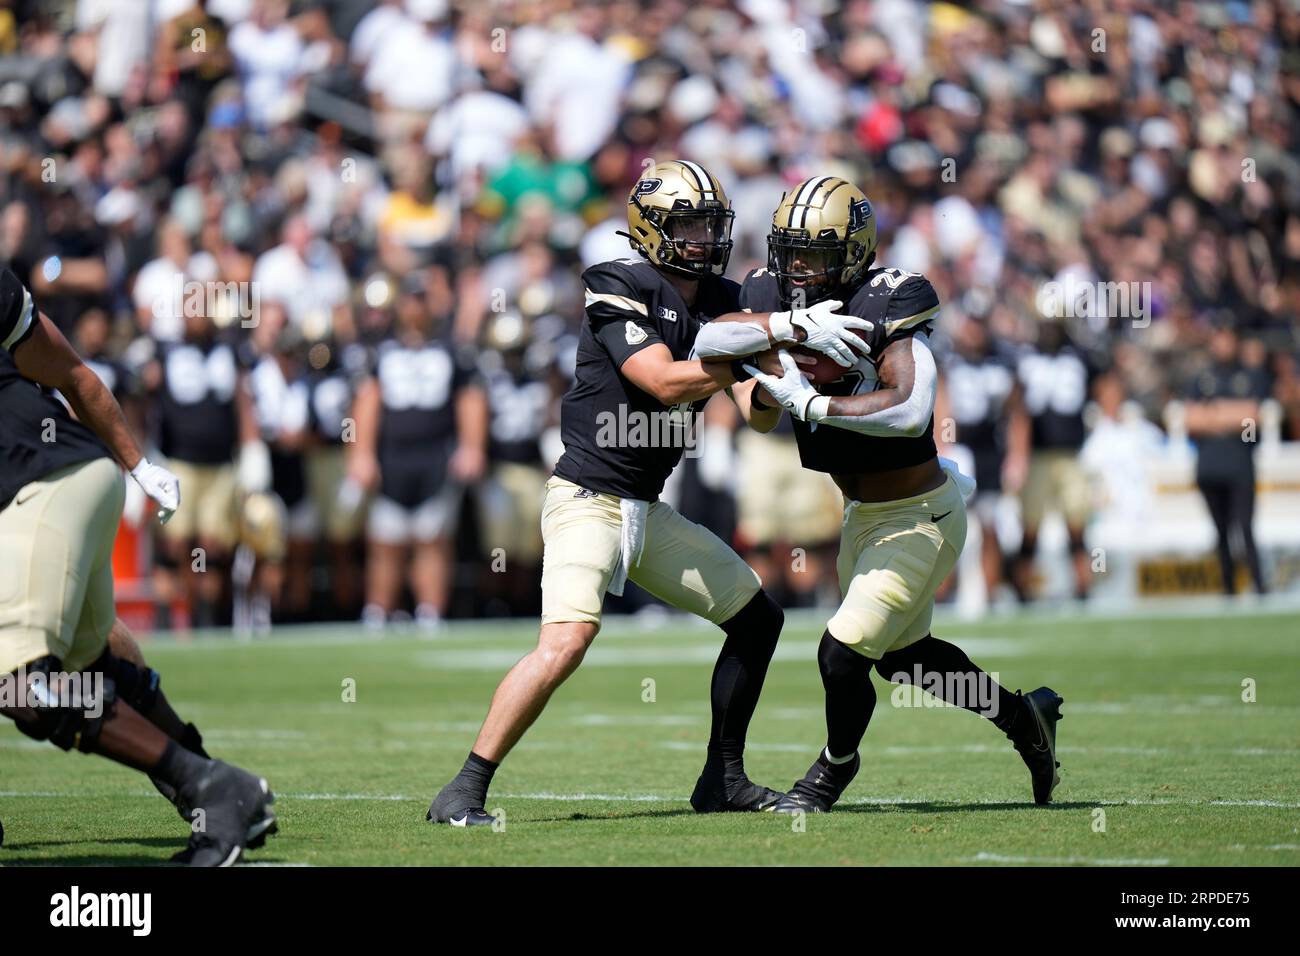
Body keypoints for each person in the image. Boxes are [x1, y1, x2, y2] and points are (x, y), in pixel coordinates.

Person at [425, 161, 863, 825]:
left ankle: (723, 778)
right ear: (650, 226)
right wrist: (774, 333)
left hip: (648, 509)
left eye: (708, 223)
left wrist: (791, 377)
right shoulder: (618, 283)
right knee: (566, 643)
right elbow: (659, 380)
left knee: (757, 619)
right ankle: (463, 788)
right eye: (686, 222)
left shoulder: (720, 299)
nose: (700, 236)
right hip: (588, 499)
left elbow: (755, 410)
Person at [694, 176, 1064, 811]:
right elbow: (710, 342)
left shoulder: (890, 296)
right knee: (904, 659)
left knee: (840, 654)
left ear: (855, 251)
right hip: (860, 514)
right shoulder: (769, 292)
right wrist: (778, 342)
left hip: (920, 514)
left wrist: (814, 401)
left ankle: (831, 772)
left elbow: (911, 409)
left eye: (815, 252)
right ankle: (1023, 718)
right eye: (792, 250)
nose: (800, 267)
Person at [0, 267, 275, 865]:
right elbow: (71, 370)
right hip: (68, 481)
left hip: (39, 485)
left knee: (24, 683)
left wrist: (141, 464)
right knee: (93, 659)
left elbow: (71, 371)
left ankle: (215, 789)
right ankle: (208, 787)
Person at [1184, 324, 1269, 594]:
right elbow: (1191, 420)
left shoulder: (1250, 376)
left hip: (1239, 464)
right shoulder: (1202, 378)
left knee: (1244, 527)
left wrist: (1215, 414)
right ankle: (1229, 588)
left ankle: (1259, 586)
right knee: (1220, 531)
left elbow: (1251, 419)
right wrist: (1230, 415)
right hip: (1210, 465)